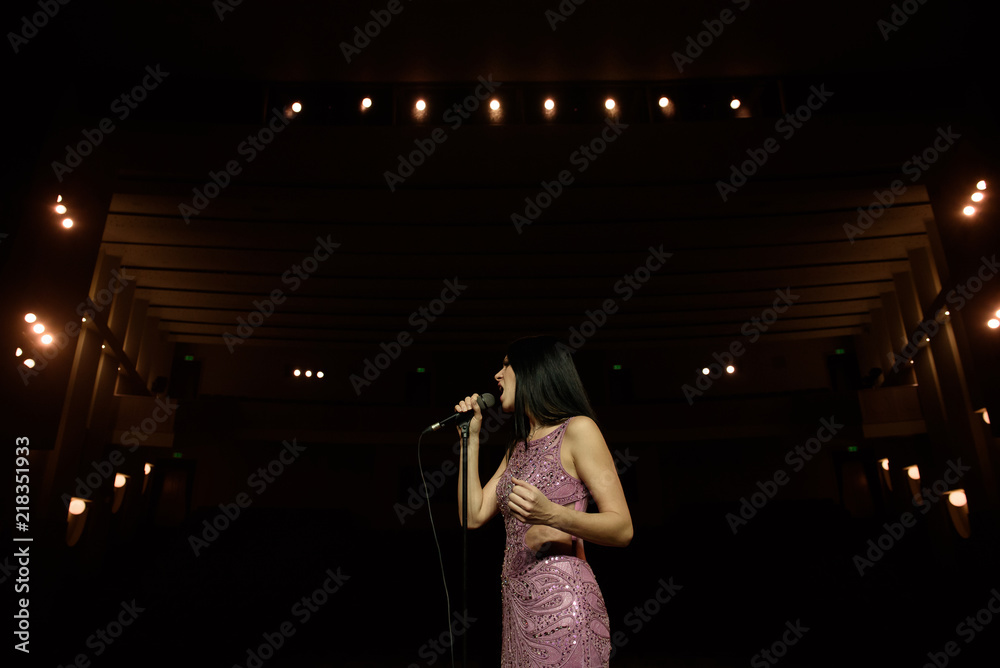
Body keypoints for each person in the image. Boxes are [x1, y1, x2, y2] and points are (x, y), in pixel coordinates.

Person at [455, 335, 633, 667]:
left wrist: (551, 514)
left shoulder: (578, 430)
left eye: (507, 364)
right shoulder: (517, 447)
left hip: (566, 610)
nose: (497, 374)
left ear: (534, 370)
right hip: (517, 612)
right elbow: (472, 514)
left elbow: (622, 528)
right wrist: (471, 439)